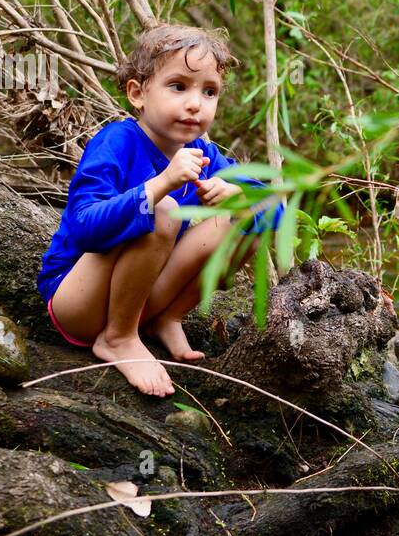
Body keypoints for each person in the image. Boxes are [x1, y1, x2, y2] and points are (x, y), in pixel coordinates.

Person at [36, 24, 280, 396]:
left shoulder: (204, 154)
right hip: (78, 301)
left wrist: (234, 191)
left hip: (143, 298)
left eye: (209, 91)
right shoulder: (115, 142)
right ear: (138, 93)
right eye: (178, 86)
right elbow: (84, 227)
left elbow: (273, 209)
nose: (195, 103)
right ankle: (118, 339)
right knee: (162, 209)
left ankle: (166, 318)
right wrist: (159, 185)